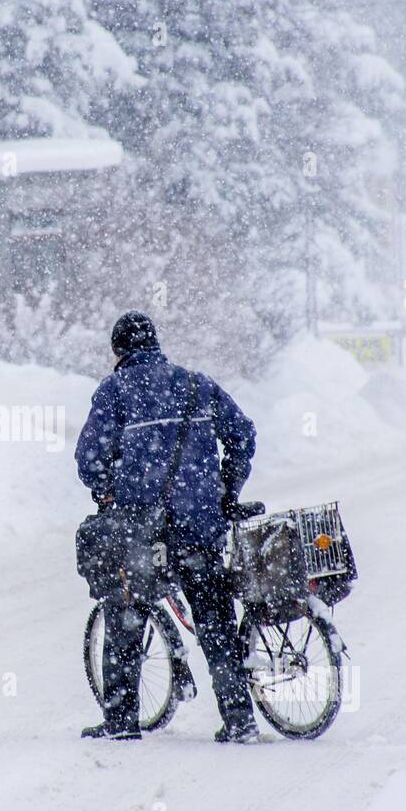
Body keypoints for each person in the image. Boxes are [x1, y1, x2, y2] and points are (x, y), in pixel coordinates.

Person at [75, 311, 258, 743]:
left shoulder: (114, 390)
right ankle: (239, 720)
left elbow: (89, 458)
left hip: (144, 530)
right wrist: (227, 489)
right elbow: (243, 435)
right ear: (155, 344)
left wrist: (106, 493)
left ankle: (121, 723)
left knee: (125, 611)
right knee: (215, 621)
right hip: (201, 525)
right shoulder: (197, 385)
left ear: (118, 352)